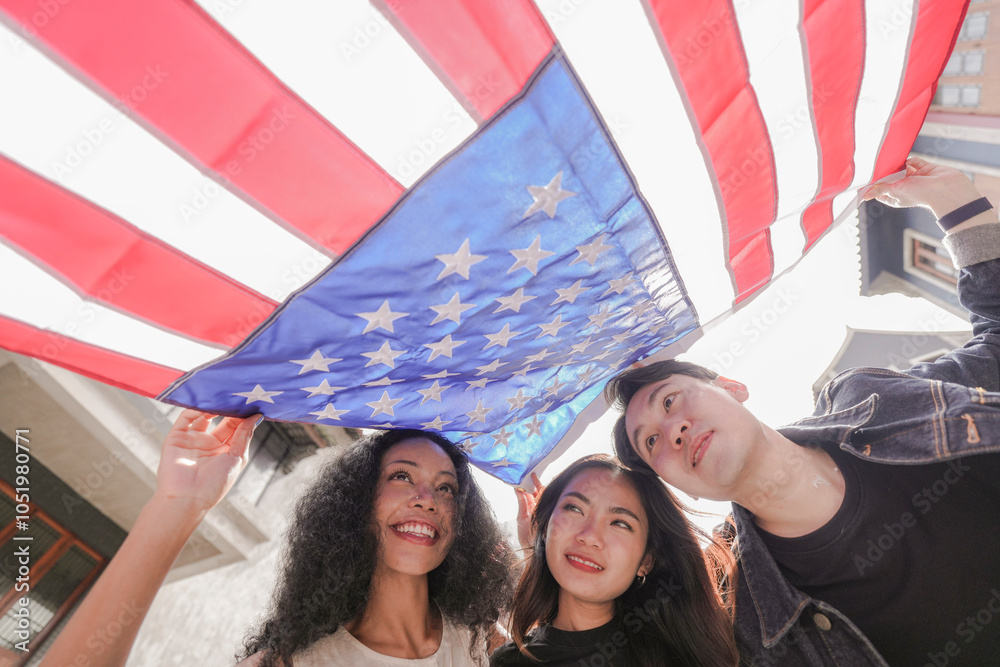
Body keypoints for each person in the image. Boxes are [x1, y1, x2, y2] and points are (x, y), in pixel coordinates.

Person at [605, 156, 1000, 664]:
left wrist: (956, 203)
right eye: (651, 442)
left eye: (669, 401)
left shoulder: (877, 402)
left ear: (732, 386)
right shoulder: (741, 621)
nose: (671, 430)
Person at [42, 410, 515, 666]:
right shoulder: (292, 665)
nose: (427, 498)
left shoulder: (481, 644)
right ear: (356, 505)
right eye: (401, 477)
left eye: (447, 486)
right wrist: (178, 504)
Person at [490, 454, 738, 666]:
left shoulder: (679, 656)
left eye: (620, 523)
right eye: (574, 509)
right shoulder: (508, 662)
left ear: (647, 561)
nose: (589, 537)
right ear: (545, 527)